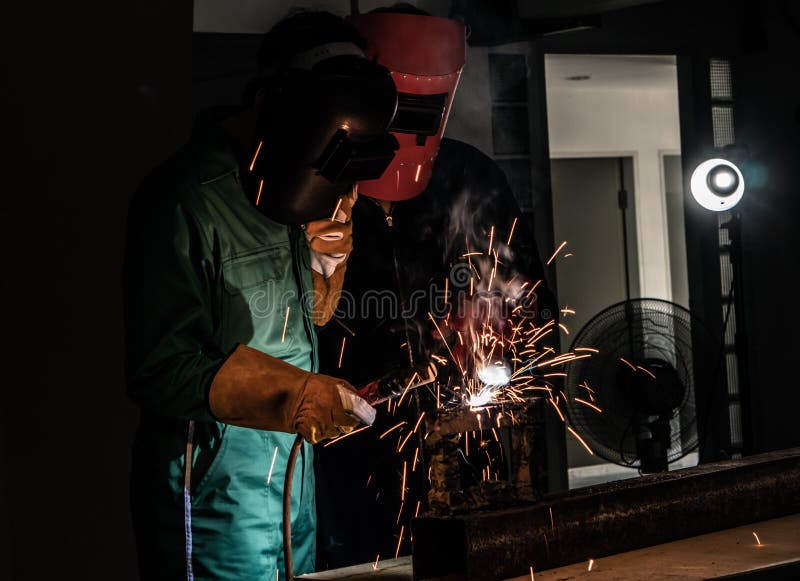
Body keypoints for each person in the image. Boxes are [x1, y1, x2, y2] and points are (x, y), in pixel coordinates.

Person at [124, 11, 396, 579]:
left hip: (292, 488)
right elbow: (160, 368)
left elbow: (306, 320)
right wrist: (293, 395)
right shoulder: (185, 201)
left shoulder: (290, 182)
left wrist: (327, 263)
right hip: (213, 498)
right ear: (280, 106)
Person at [314, 5, 558, 568]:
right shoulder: (317, 188)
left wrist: (500, 310)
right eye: (400, 107)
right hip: (352, 443)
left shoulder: (470, 174)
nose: (411, 126)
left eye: (428, 108)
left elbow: (532, 296)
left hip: (465, 446)